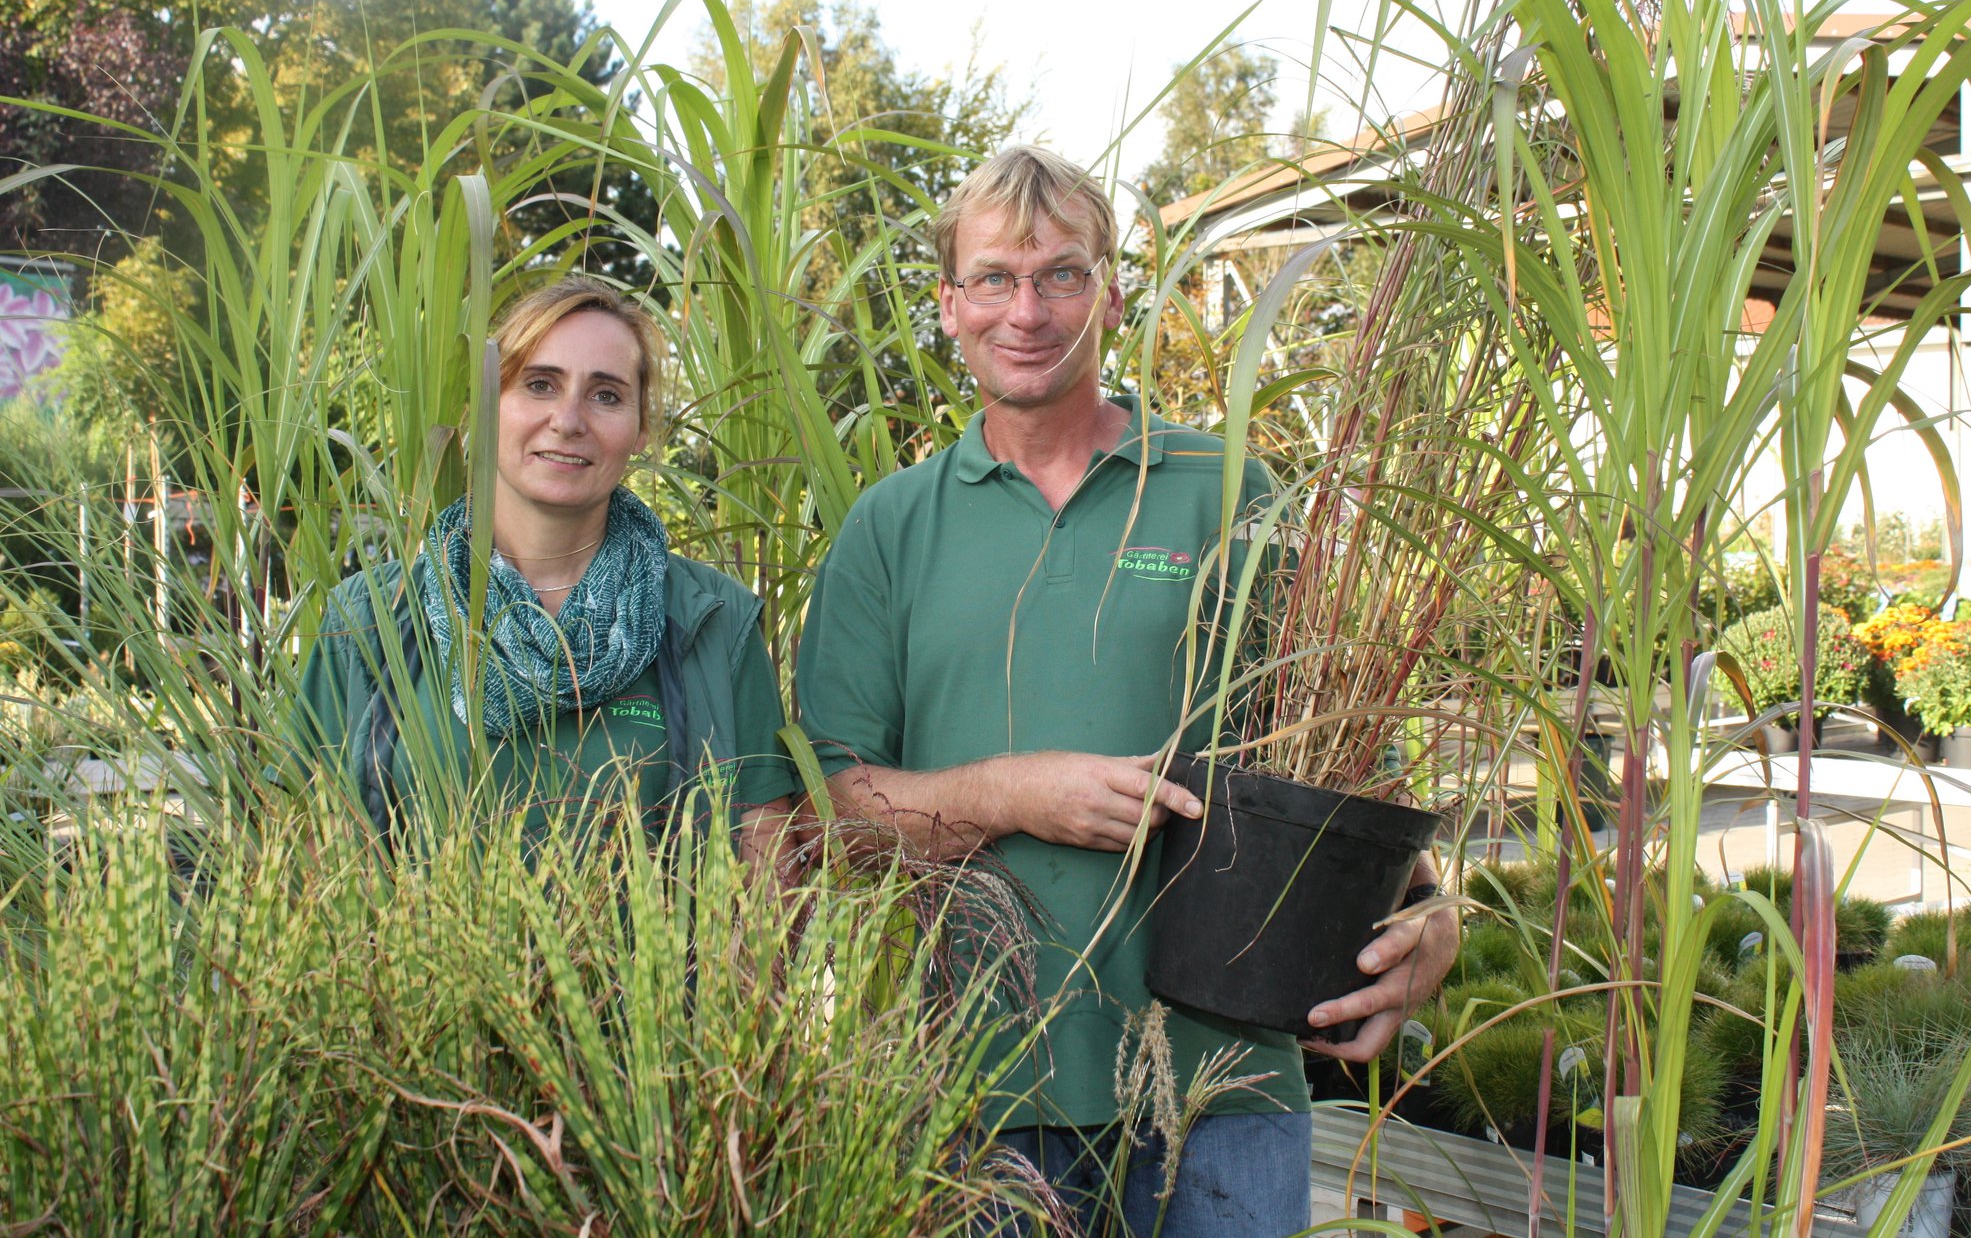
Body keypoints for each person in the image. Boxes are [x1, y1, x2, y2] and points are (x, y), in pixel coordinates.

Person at [795, 147, 1458, 1235]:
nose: (1027, 311)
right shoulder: (891, 529)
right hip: (977, 1094)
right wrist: (1012, 794)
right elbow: (831, 813)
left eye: (1061, 274)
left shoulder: (1223, 489)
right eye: (994, 278)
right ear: (949, 305)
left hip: (1225, 1087)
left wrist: (1431, 920)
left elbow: (1352, 768)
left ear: (1109, 293)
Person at [297, 277, 793, 851]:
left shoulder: (714, 621)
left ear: (641, 430)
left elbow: (767, 868)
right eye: (539, 385)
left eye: (606, 395)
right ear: (486, 405)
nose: (568, 419)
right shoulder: (372, 618)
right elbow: (308, 859)